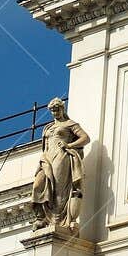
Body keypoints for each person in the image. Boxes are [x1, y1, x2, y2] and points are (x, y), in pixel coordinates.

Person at [31, 96, 90, 230]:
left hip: (61, 156)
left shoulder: (70, 124)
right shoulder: (48, 127)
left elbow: (85, 138)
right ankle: (41, 217)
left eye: (57, 110)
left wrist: (69, 145)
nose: (55, 113)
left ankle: (57, 221)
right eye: (52, 111)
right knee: (38, 186)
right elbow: (44, 147)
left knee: (59, 189)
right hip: (47, 159)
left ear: (62, 109)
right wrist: (39, 165)